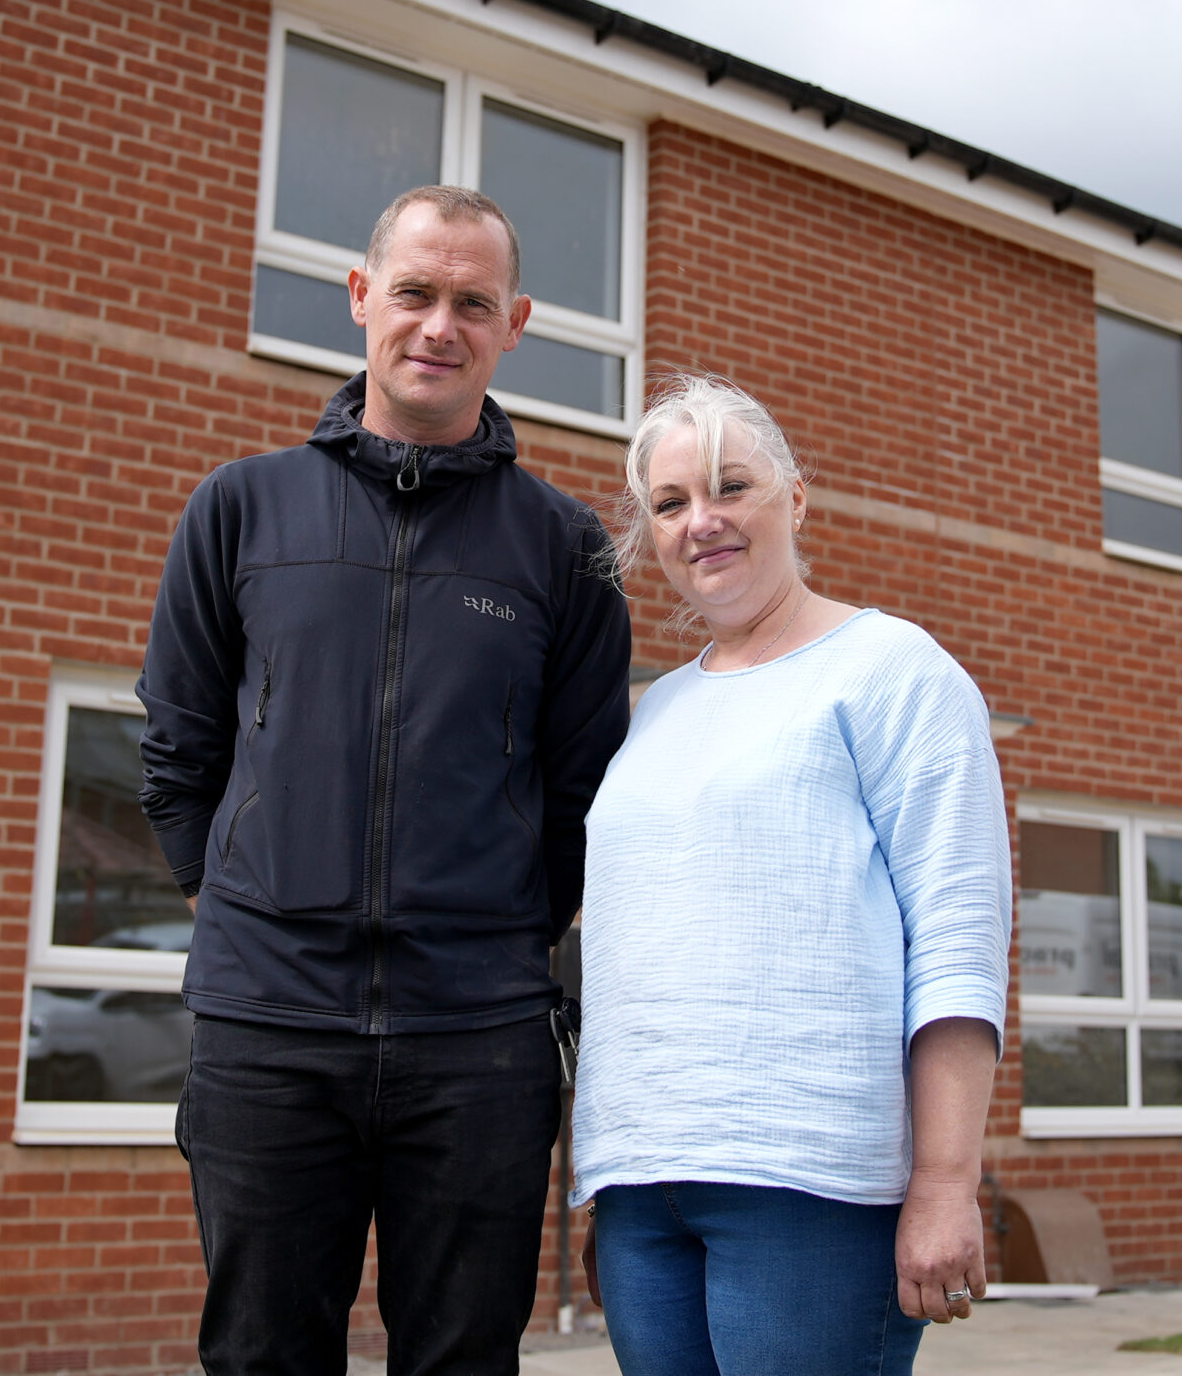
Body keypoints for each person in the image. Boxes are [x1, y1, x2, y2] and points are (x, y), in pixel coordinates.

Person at [138, 184, 632, 1376]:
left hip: (479, 1037)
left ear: (513, 324)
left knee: (463, 1360)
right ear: (362, 298)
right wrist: (246, 893)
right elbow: (176, 745)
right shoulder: (240, 508)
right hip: (266, 1024)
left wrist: (500, 929)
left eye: (471, 302)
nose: (437, 325)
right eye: (413, 292)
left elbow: (584, 794)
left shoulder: (564, 549)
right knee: (260, 1354)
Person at [570, 374, 1011, 1376]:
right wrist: (616, 1170)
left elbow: (955, 942)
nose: (702, 523)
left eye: (732, 487)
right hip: (646, 1190)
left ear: (796, 499)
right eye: (672, 503)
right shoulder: (656, 711)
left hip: (812, 1185)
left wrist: (945, 1180)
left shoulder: (894, 672)